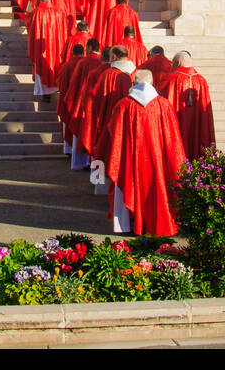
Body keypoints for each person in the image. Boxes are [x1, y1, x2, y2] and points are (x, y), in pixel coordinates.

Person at [106, 70, 187, 236]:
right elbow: (173, 136)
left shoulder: (123, 105)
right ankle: (160, 222)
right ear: (152, 83)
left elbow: (113, 132)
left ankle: (125, 225)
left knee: (126, 184)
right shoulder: (163, 104)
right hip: (158, 158)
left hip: (130, 158)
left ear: (133, 83)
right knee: (160, 188)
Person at [82, 45, 136, 194]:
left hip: (108, 120)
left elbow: (96, 97)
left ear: (114, 57)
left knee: (102, 150)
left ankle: (100, 185)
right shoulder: (136, 72)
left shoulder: (108, 74)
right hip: (131, 122)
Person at [62, 39, 105, 170]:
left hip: (83, 102)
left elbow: (74, 84)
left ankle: (80, 162)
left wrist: (71, 100)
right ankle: (95, 165)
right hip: (100, 104)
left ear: (90, 47)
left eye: (87, 47)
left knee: (82, 131)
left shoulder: (83, 62)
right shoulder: (103, 63)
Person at [164, 50, 215, 161]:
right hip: (198, 124)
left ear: (177, 63)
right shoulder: (201, 80)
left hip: (178, 123)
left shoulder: (171, 79)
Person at [26, 0, 69, 100]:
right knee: (55, 65)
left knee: (42, 66)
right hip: (56, 44)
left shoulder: (35, 13)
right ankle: (56, 87)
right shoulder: (59, 12)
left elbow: (31, 30)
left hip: (40, 46)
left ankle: (46, 93)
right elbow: (64, 30)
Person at [55, 44, 87, 157]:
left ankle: (68, 149)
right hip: (84, 102)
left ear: (72, 53)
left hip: (70, 100)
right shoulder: (88, 64)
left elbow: (61, 84)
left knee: (68, 125)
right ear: (83, 52)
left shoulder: (67, 66)